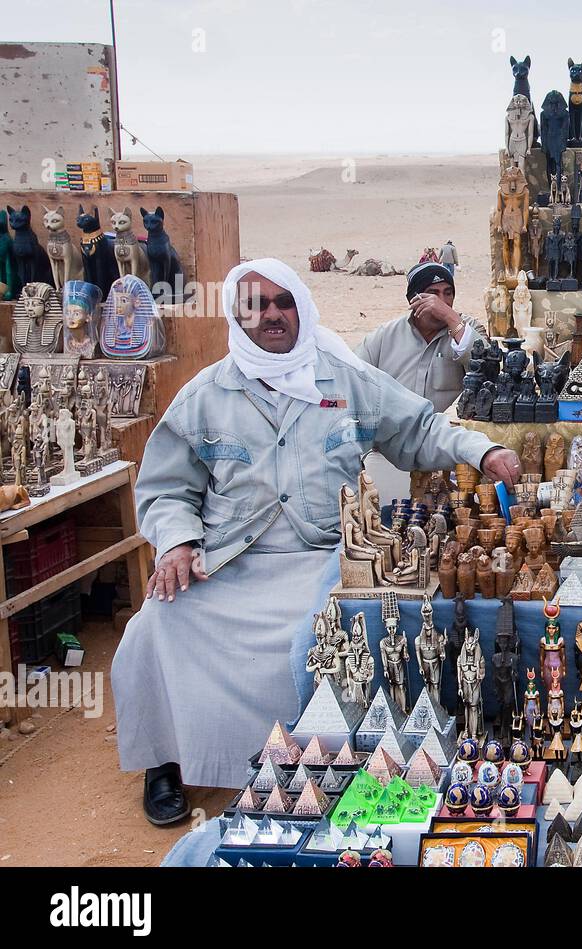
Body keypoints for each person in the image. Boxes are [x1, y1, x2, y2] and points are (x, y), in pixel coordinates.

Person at [112, 257, 520, 826]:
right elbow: (165, 488)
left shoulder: (343, 377)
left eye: (284, 303)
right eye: (257, 305)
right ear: (237, 314)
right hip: (230, 564)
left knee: (324, 634)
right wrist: (177, 542)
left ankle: (315, 767)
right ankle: (166, 757)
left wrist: (481, 451)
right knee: (153, 628)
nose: (273, 315)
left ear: (301, 309)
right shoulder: (204, 396)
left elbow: (417, 428)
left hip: (323, 559)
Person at [354, 262, 480, 411]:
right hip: (398, 431)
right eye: (433, 294)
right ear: (413, 299)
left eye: (448, 293)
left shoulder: (469, 329)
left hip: (447, 431)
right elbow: (352, 378)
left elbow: (487, 368)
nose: (442, 302)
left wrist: (450, 317)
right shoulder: (385, 337)